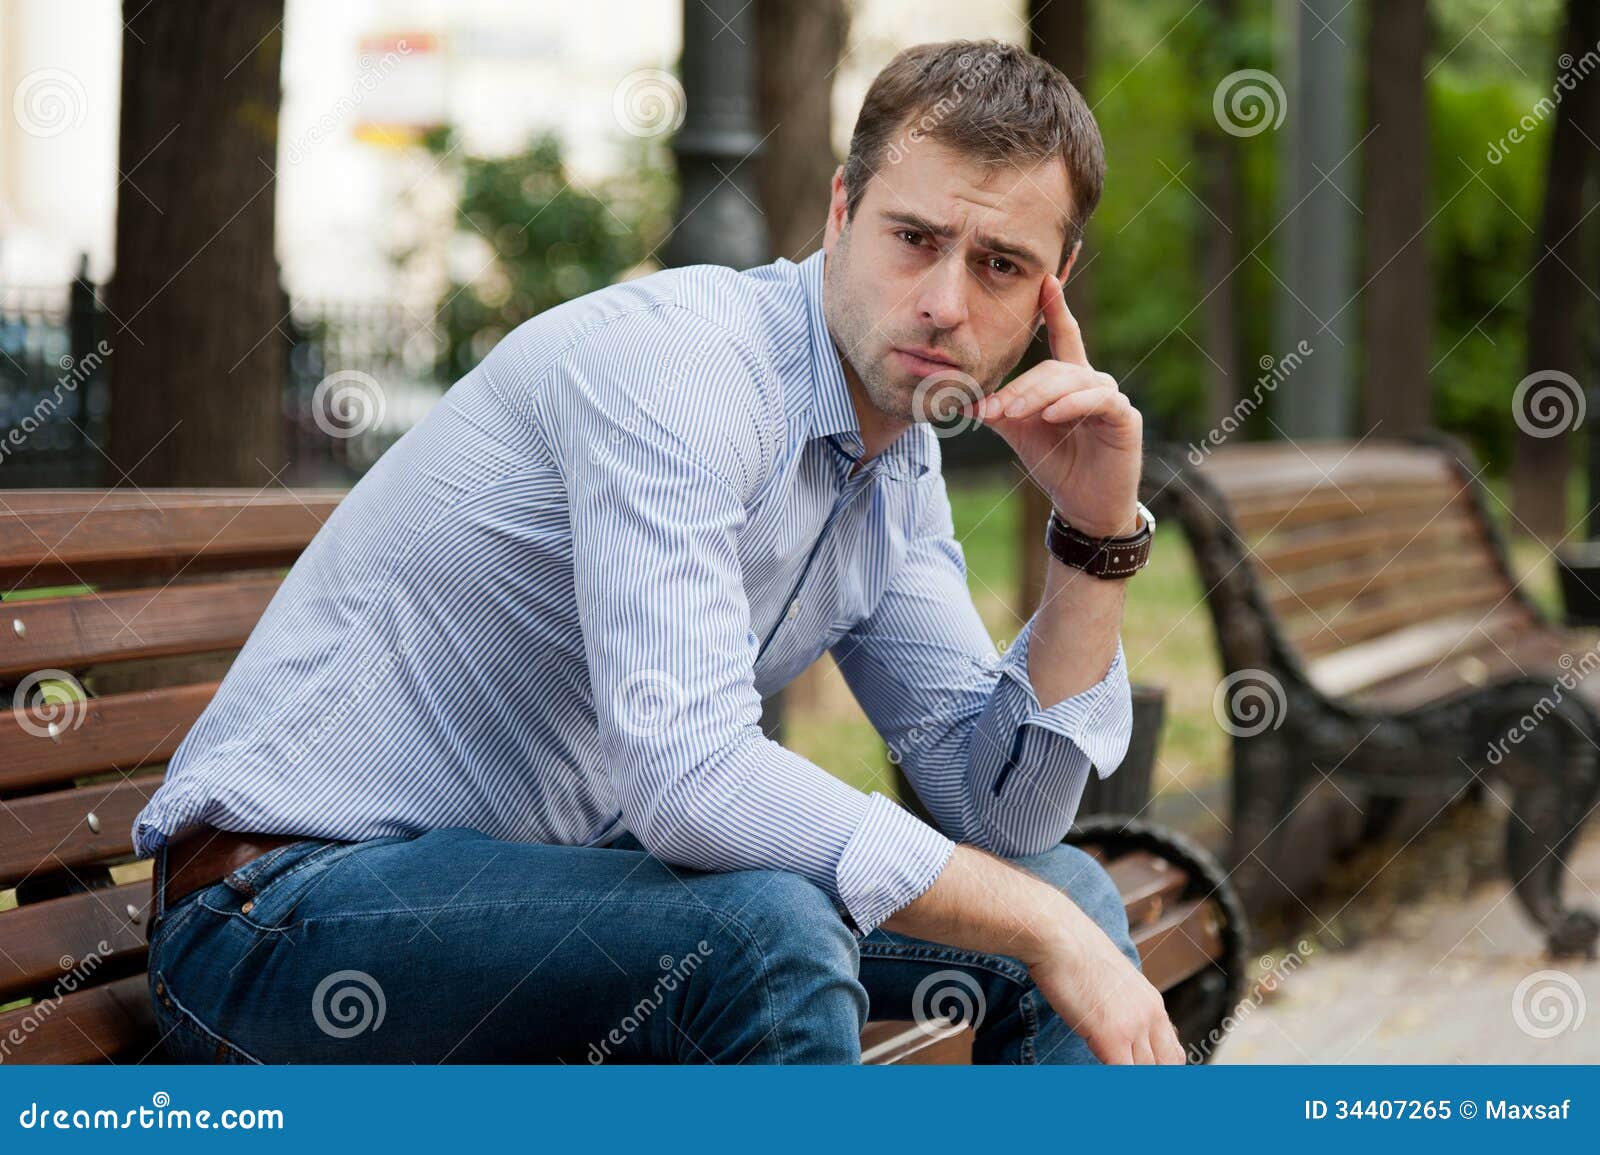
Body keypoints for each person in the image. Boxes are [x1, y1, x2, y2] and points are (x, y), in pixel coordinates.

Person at [135, 38, 1183, 1066]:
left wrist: (1095, 538)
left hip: (542, 897)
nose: (946, 304)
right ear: (840, 212)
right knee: (776, 938)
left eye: (999, 266)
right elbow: (690, 776)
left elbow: (1003, 814)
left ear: (1053, 288)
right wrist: (1036, 926)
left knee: (1065, 889)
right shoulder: (681, 370)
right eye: (914, 238)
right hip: (279, 914)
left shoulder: (895, 466)